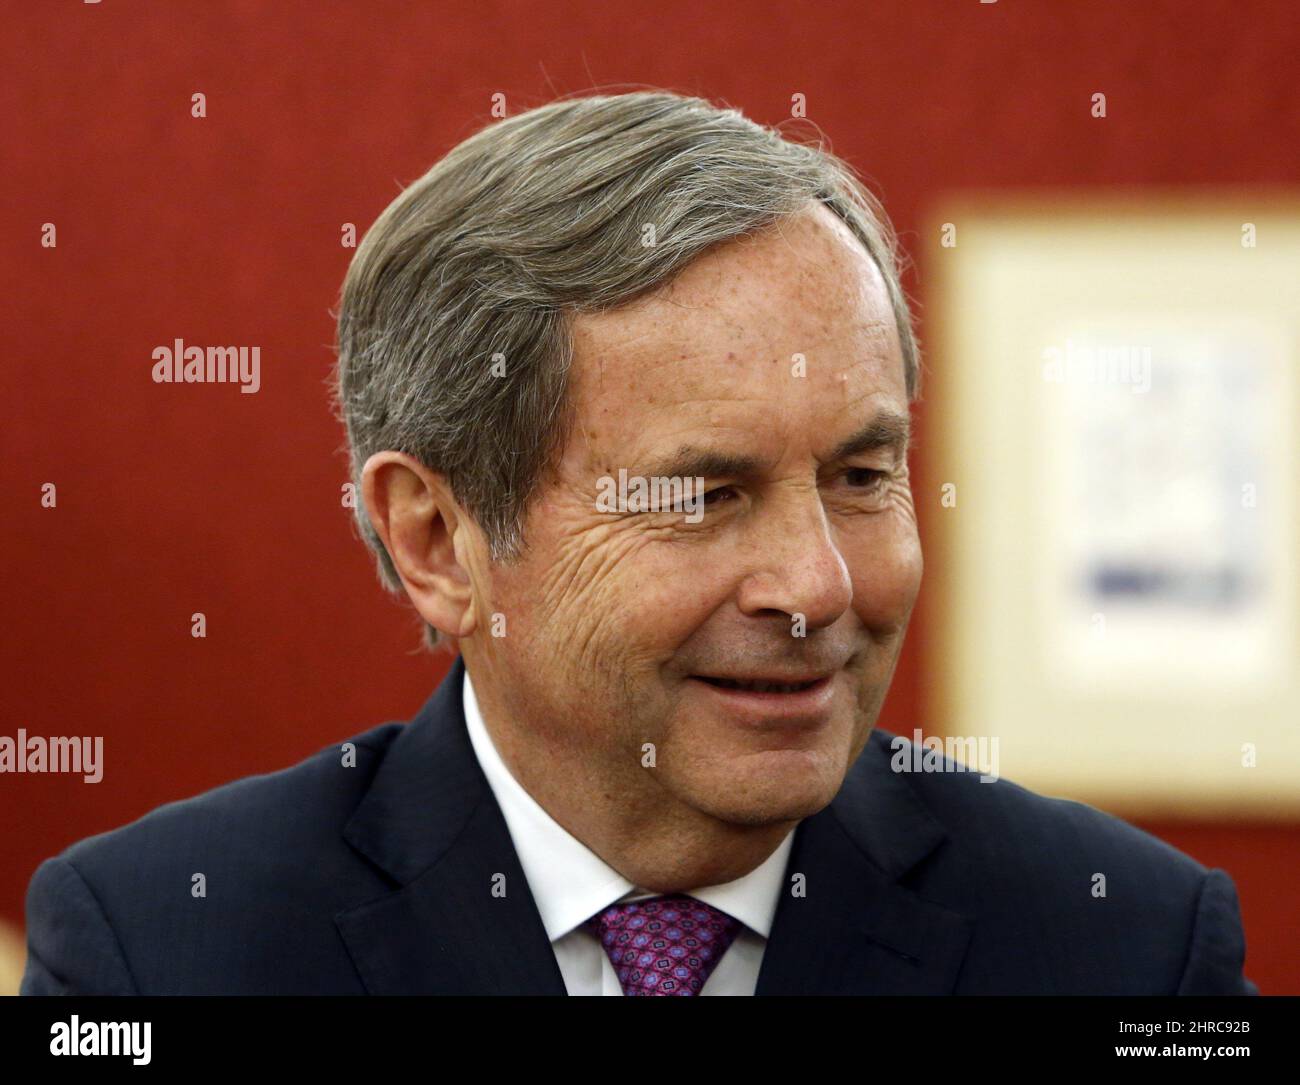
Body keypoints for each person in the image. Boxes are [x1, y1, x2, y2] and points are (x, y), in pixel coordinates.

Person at [22, 91, 1256, 995]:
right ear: (438, 540)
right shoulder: (158, 949)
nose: (817, 583)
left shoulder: (1131, 946)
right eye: (702, 494)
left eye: (861, 474)